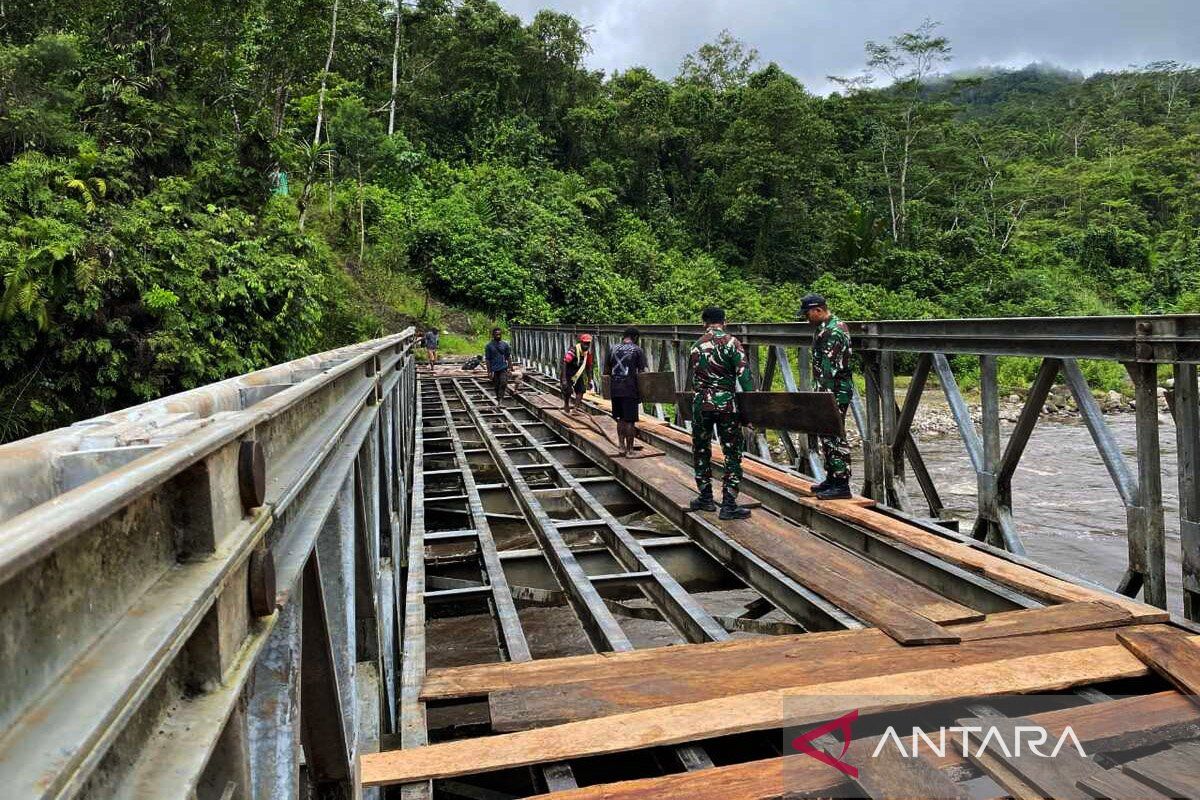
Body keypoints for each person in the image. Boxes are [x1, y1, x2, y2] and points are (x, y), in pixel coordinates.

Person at [688, 307, 755, 519]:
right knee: (731, 452)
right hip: (726, 404)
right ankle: (728, 504)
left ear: (704, 323)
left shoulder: (696, 346)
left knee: (701, 449)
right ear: (724, 322)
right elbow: (744, 377)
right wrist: (751, 409)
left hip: (701, 404)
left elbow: (694, 379)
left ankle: (706, 498)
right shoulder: (732, 343)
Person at [800, 293, 854, 500]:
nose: (807, 318)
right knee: (827, 434)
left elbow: (830, 369)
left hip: (834, 390)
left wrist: (823, 396)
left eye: (808, 314)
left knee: (834, 434)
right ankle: (832, 478)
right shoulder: (825, 328)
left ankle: (841, 484)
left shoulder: (833, 331)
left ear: (818, 310)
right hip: (826, 389)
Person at [604, 327, 648, 456]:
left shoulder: (612, 349)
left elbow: (606, 371)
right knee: (630, 421)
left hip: (615, 389)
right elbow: (642, 373)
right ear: (635, 338)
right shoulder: (637, 350)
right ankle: (630, 450)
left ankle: (621, 447)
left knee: (620, 419)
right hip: (630, 389)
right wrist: (643, 393)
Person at [560, 333, 595, 415]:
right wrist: (564, 379)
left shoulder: (588, 354)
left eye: (588, 344)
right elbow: (565, 362)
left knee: (581, 390)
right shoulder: (573, 350)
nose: (586, 345)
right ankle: (566, 404)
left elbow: (588, 367)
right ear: (581, 342)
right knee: (567, 390)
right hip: (568, 372)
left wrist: (590, 380)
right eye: (585, 343)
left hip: (578, 374)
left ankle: (575, 408)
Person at [484, 327, 513, 402]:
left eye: (499, 334)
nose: (498, 336)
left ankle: (500, 400)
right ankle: (498, 399)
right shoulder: (489, 346)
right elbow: (487, 359)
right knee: (496, 386)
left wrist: (510, 368)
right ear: (493, 335)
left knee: (503, 383)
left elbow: (508, 357)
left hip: (503, 367)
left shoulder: (505, 345)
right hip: (494, 368)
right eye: (496, 334)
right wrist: (489, 372)